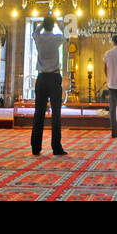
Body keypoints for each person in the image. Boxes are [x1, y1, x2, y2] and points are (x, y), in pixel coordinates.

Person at [30, 15, 68, 156]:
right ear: (53, 26)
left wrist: (41, 25)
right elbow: (66, 34)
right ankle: (56, 147)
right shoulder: (56, 38)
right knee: (56, 113)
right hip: (53, 77)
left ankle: (35, 147)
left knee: (38, 113)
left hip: (41, 78)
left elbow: (35, 33)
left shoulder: (39, 38)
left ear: (43, 26)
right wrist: (59, 23)